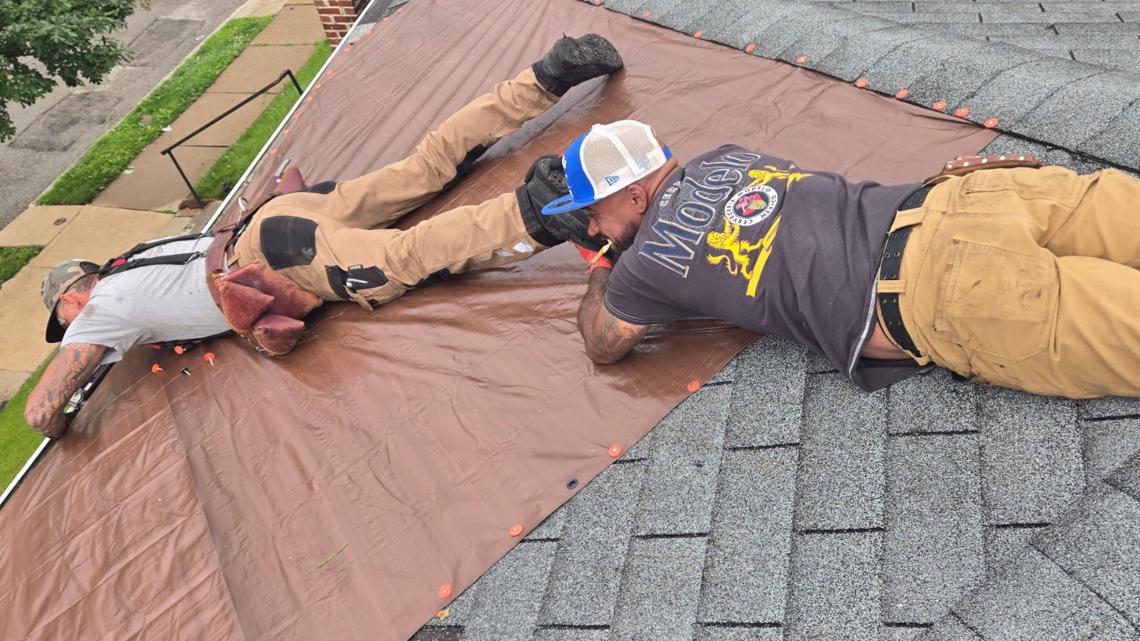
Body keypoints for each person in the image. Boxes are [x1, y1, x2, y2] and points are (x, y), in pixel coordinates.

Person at [25, 34, 621, 437]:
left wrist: (67, 408)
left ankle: (543, 209)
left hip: (279, 256)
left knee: (399, 259)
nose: (69, 325)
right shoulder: (140, 261)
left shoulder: (100, 311)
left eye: (64, 316)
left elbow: (42, 411)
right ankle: (547, 75)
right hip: (281, 217)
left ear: (73, 297)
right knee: (425, 167)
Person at [543, 120, 1140, 400]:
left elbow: (604, 342)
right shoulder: (725, 154)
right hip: (971, 196)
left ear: (635, 196)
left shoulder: (646, 264)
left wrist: (601, 267)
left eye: (593, 213)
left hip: (949, 286)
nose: (593, 227)